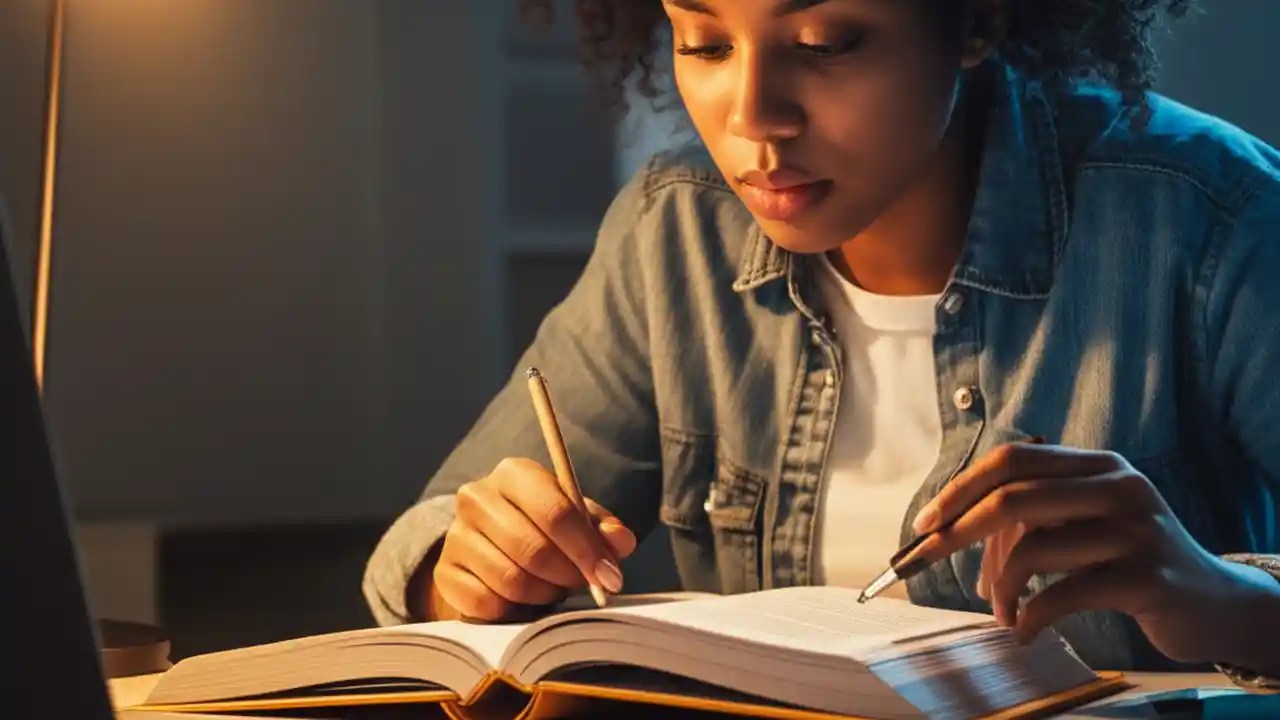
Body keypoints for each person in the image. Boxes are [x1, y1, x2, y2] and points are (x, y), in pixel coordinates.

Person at [365, 0, 1280, 684]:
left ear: (975, 17)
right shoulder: (677, 230)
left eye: (824, 44)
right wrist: (466, 575)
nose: (753, 117)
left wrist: (1217, 599)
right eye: (705, 43)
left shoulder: (1212, 218)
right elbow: (429, 551)